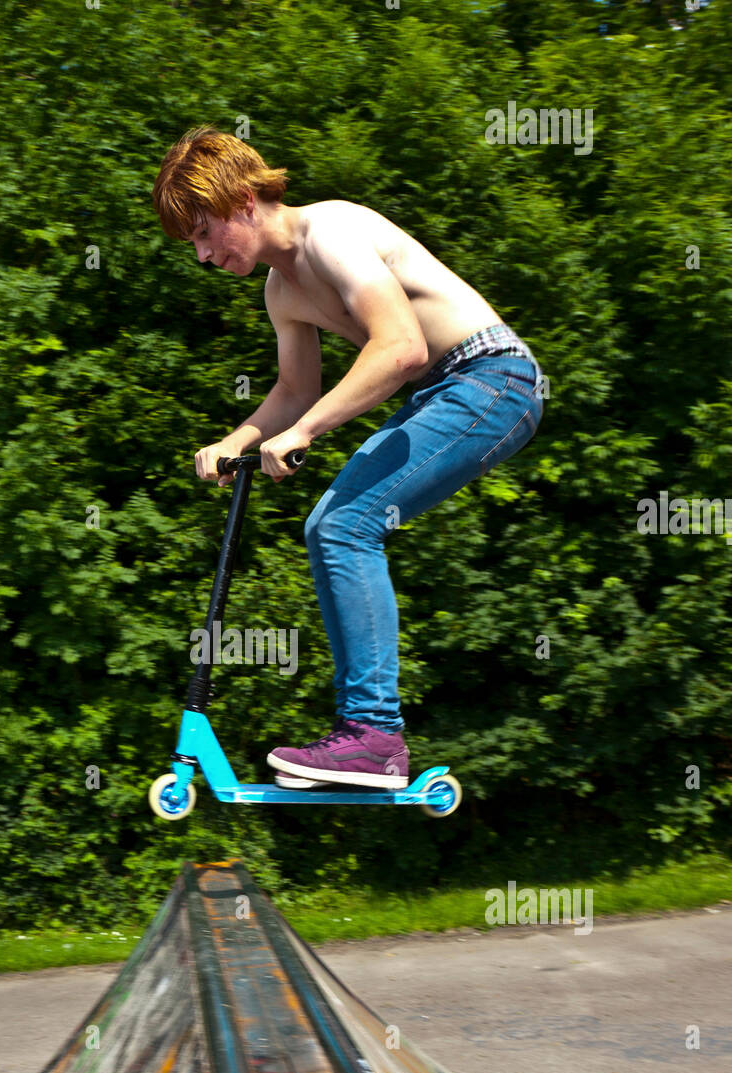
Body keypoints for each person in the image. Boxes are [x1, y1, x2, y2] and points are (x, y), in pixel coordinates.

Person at [152, 126, 543, 790]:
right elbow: (293, 390)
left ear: (243, 200)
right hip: (451, 390)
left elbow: (400, 348)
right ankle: (369, 734)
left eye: (204, 231)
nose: (203, 255)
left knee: (344, 525)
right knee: (330, 526)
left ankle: (372, 735)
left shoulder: (328, 232)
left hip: (493, 380)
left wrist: (304, 431)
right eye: (191, 243)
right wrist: (236, 441)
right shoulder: (281, 291)